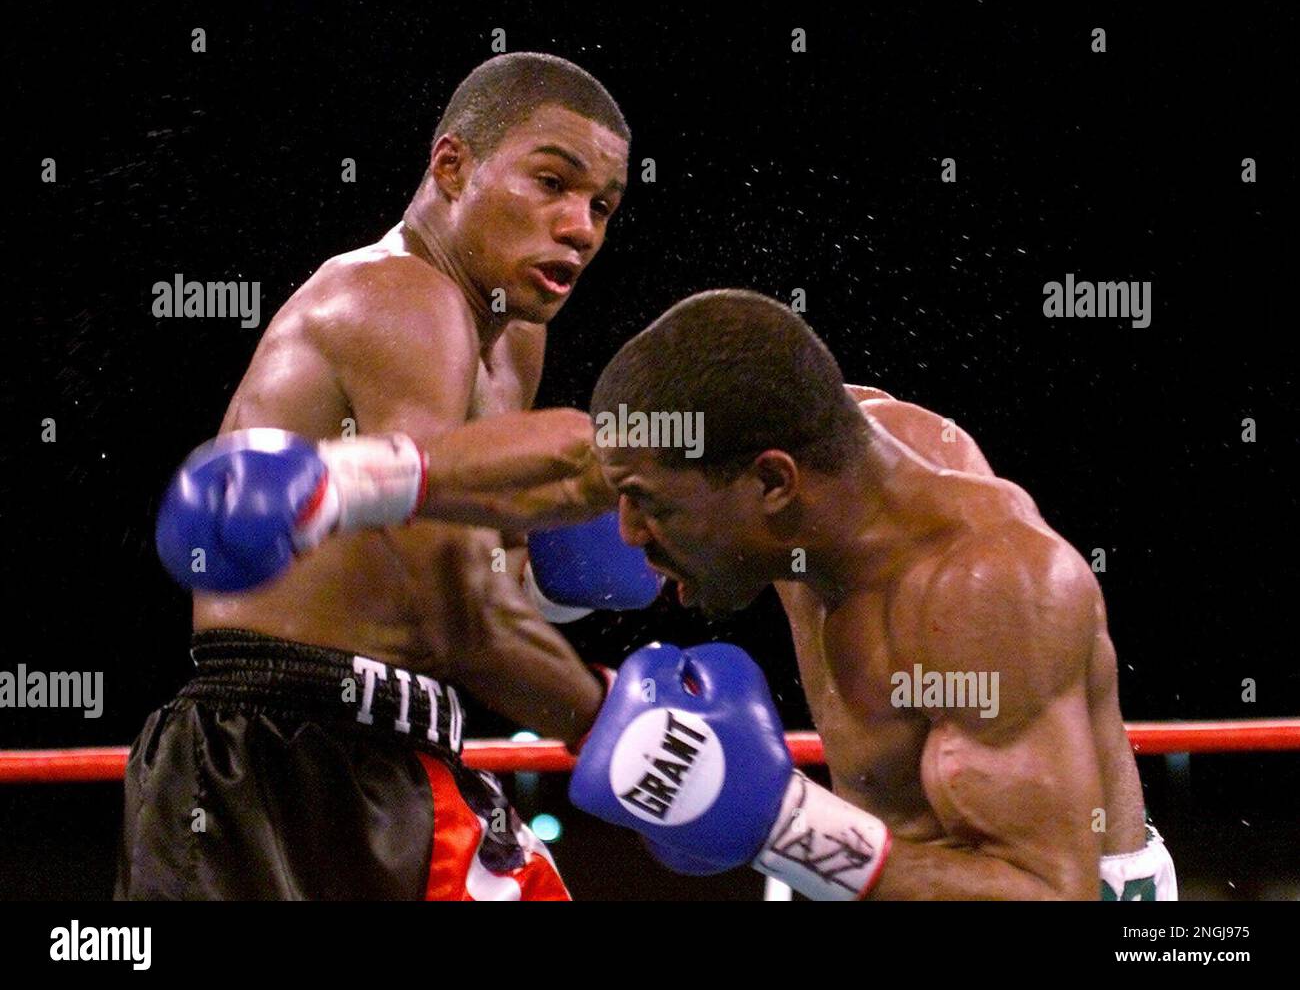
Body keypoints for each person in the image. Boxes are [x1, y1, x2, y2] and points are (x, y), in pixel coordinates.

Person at [119, 52, 653, 900]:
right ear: (452, 166)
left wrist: (559, 588)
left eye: (602, 205)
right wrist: (628, 732)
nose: (581, 226)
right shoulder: (399, 297)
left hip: (408, 755)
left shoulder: (514, 337)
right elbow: (460, 619)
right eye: (553, 183)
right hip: (269, 756)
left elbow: (486, 579)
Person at [569, 288, 1177, 901]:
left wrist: (785, 828)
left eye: (650, 502)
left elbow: (1050, 893)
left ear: (774, 482)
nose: (625, 532)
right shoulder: (804, 441)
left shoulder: (987, 590)